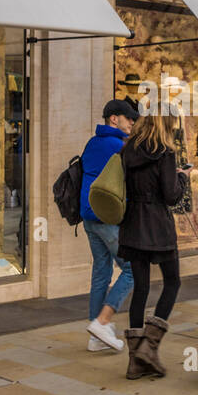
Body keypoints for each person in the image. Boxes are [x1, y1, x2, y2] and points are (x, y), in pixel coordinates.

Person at [118, 112, 189, 379]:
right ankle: (149, 346)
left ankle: (135, 362)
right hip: (158, 226)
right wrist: (183, 178)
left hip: (132, 225)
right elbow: (171, 196)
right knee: (172, 281)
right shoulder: (165, 153)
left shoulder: (128, 151)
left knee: (141, 288)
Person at [79, 97, 140, 353]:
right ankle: (103, 322)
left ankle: (95, 337)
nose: (132, 124)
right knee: (132, 269)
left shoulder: (93, 143)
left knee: (101, 273)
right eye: (129, 119)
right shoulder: (118, 146)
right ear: (114, 119)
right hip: (106, 218)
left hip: (89, 217)